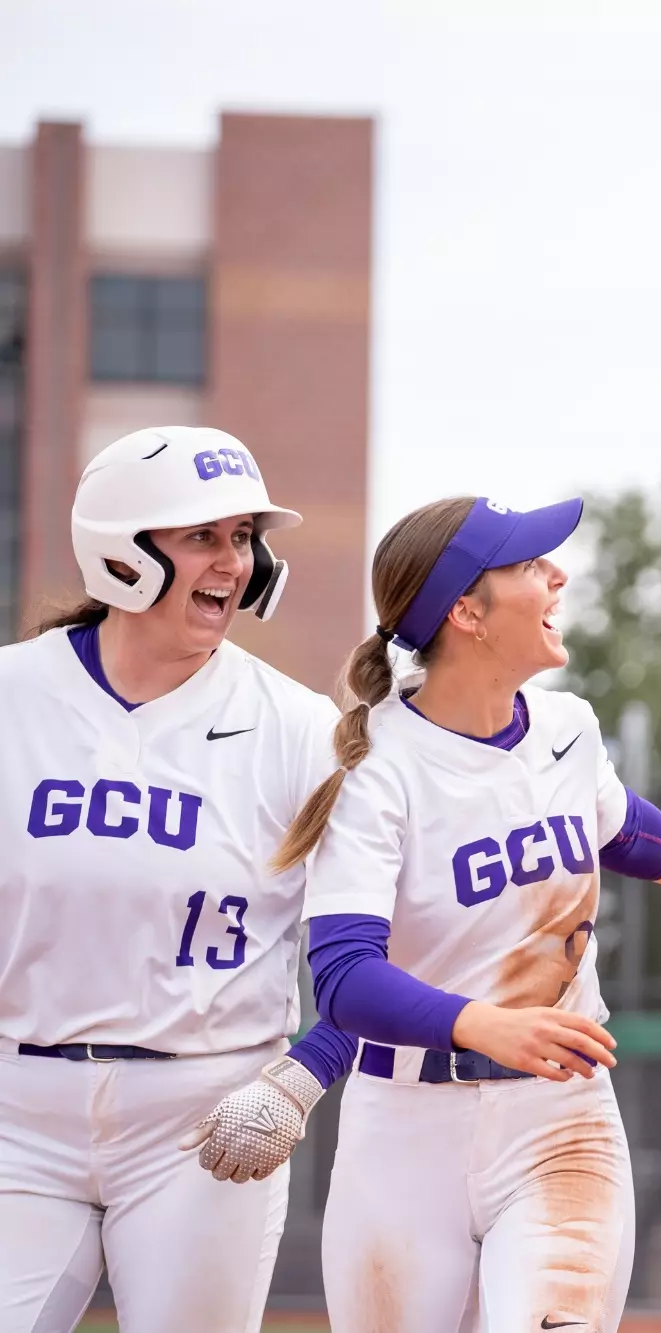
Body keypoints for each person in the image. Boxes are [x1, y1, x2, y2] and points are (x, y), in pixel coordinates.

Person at [276, 494, 661, 1332]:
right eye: (530, 565)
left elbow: (623, 832)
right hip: (402, 1130)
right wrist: (485, 1025)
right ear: (466, 612)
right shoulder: (376, 763)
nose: (558, 575)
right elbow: (344, 976)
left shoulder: (565, 725)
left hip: (560, 1119)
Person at [0, 426, 360, 1332]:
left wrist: (302, 1076)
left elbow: (386, 936)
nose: (232, 563)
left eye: (243, 537)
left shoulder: (296, 727)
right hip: (14, 1114)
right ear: (121, 553)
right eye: (203, 536)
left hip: (205, 1122)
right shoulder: (13, 697)